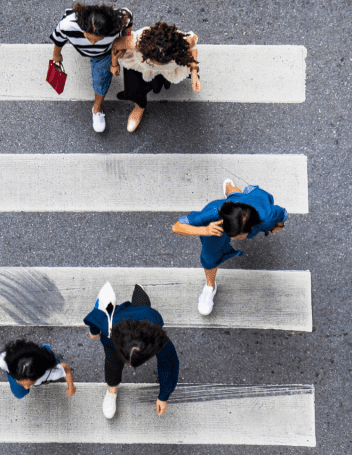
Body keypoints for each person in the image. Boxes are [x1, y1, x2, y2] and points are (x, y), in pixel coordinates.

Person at [172, 179, 288, 316]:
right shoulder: (214, 213)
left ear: (253, 226)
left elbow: (283, 215)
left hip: (247, 203)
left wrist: (274, 227)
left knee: (236, 195)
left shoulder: (267, 215)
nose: (235, 238)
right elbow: (176, 227)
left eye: (239, 235)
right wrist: (205, 230)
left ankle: (230, 187)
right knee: (210, 256)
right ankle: (210, 286)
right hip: (216, 227)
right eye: (233, 235)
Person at [83, 285, 178, 419]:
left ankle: (139, 290)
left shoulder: (157, 336)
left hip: (144, 315)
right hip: (124, 317)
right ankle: (112, 389)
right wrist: (94, 331)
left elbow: (169, 364)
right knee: (113, 363)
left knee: (143, 306)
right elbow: (95, 316)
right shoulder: (110, 327)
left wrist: (164, 396)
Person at [50, 3, 133, 133]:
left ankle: (97, 108)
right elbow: (58, 39)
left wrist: (122, 47)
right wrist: (56, 54)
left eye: (99, 39)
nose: (93, 42)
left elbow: (128, 19)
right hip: (83, 51)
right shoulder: (66, 25)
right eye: (89, 38)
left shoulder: (118, 20)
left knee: (101, 81)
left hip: (104, 54)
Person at [113, 21, 200, 132]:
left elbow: (192, 49)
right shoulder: (137, 42)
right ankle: (139, 107)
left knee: (176, 71)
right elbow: (116, 44)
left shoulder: (182, 43)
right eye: (156, 61)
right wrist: (114, 64)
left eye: (164, 62)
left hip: (169, 69)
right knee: (133, 88)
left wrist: (194, 73)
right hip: (142, 67)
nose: (159, 65)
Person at [0, 339, 76, 398]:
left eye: (30, 383)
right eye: (22, 383)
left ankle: (44, 351)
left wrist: (71, 387)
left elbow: (66, 369)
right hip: (35, 359)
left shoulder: (49, 373)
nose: (26, 387)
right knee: (19, 393)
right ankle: (44, 349)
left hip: (43, 362)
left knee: (54, 360)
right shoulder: (6, 360)